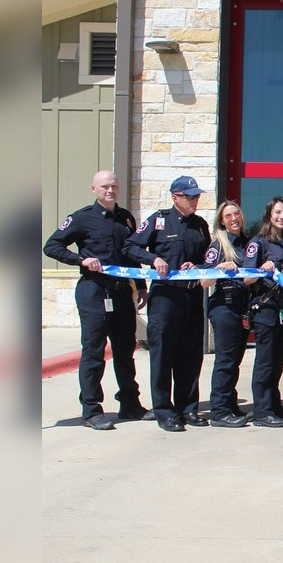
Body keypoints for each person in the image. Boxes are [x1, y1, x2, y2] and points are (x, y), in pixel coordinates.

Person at [43, 170, 152, 429]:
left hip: (121, 292)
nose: (110, 190)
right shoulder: (82, 219)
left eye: (114, 185)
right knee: (93, 352)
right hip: (93, 291)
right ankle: (91, 410)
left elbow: (130, 255)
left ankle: (130, 404)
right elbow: (51, 246)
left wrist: (140, 286)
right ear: (94, 189)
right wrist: (80, 260)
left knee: (126, 350)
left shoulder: (125, 218)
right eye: (104, 186)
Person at [124, 175, 212, 432]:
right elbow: (130, 246)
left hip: (192, 296)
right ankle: (164, 410)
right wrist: (153, 259)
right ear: (176, 197)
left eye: (197, 196)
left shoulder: (200, 225)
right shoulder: (158, 221)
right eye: (190, 196)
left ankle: (188, 408)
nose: (195, 200)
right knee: (163, 353)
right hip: (165, 297)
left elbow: (209, 257)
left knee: (190, 355)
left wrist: (199, 267)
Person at [242, 196, 283, 427]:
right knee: (265, 361)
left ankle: (274, 405)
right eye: (277, 213)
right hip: (266, 308)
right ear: (269, 215)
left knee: (278, 361)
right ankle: (262, 411)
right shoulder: (259, 242)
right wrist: (262, 269)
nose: (282, 217)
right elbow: (247, 278)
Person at [199, 200, 252, 428]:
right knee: (225, 361)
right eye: (228, 215)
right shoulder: (218, 246)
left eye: (236, 213)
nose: (233, 218)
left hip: (242, 307)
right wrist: (219, 268)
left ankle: (229, 404)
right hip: (224, 307)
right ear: (222, 220)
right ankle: (219, 412)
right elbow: (203, 281)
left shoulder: (247, 243)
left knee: (235, 361)